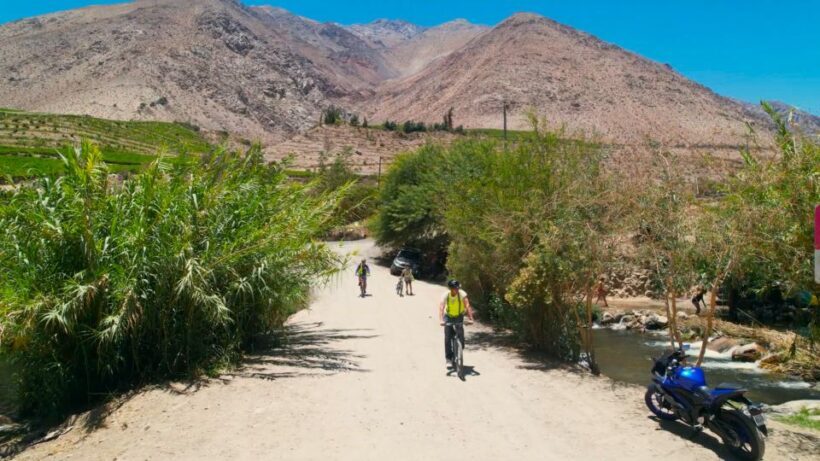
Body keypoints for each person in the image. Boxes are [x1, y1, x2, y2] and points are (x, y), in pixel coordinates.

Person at [439, 279, 475, 368]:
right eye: (455, 288)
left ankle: (459, 351)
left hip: (459, 316)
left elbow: (467, 305)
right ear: (450, 289)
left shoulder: (462, 294)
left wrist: (471, 318)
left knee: (461, 335)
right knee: (447, 337)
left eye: (458, 288)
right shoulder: (446, 295)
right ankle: (448, 359)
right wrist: (441, 320)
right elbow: (441, 307)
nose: (457, 289)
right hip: (449, 316)